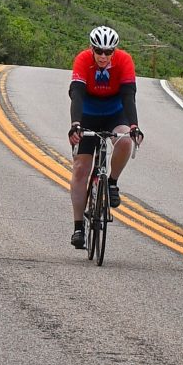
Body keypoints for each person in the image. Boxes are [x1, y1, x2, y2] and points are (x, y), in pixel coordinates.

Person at [67, 24, 144, 249]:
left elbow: (129, 96)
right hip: (87, 114)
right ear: (91, 49)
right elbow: (77, 94)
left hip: (114, 112)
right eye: (98, 51)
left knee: (125, 140)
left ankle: (111, 183)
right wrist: (75, 124)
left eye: (108, 52)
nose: (103, 56)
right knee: (81, 168)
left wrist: (134, 126)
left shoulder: (124, 61)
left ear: (115, 50)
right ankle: (79, 227)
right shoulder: (82, 59)